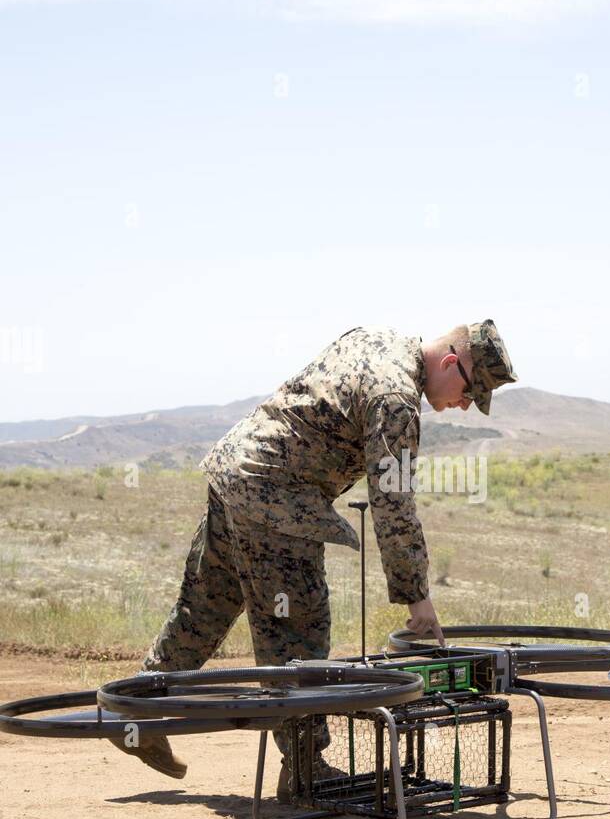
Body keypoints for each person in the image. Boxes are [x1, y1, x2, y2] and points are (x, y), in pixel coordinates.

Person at [110, 320, 517, 791]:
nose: (463, 405)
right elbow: (392, 503)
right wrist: (417, 598)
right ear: (451, 361)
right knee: (299, 629)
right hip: (276, 497)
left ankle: (135, 713)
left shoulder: (375, 338)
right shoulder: (396, 398)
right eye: (469, 392)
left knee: (207, 604)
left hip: (237, 472)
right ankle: (303, 767)